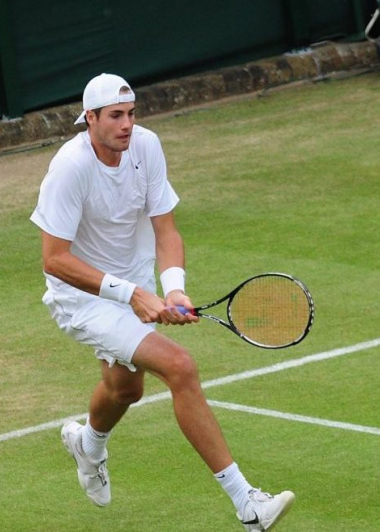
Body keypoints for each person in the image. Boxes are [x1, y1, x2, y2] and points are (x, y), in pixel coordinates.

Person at [32, 73, 293, 531]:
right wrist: (131, 294)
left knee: (126, 389)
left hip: (136, 282)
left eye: (131, 114)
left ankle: (87, 447)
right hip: (83, 297)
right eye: (115, 116)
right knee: (180, 366)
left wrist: (172, 287)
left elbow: (165, 229)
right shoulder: (69, 168)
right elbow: (54, 260)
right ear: (89, 118)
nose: (127, 125)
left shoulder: (147, 147)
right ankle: (247, 504)